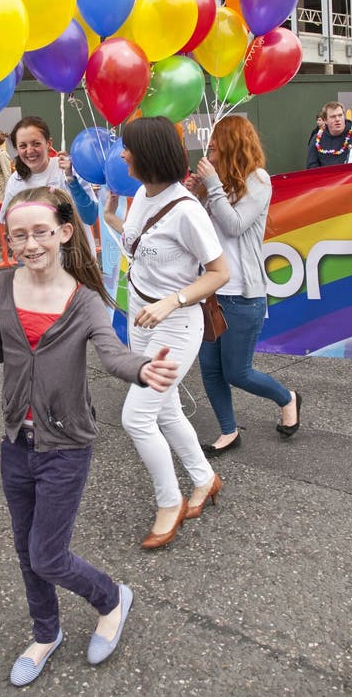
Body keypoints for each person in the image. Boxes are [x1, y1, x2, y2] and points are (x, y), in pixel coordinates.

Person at [0, 186, 179, 686]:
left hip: (66, 446)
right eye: (19, 235)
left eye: (41, 232)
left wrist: (142, 369)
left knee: (47, 554)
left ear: (64, 233)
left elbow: (113, 354)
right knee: (25, 550)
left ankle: (111, 598)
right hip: (15, 443)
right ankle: (45, 633)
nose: (30, 244)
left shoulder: (86, 301)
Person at [103, 116, 230, 550]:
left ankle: (168, 501)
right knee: (164, 410)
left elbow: (219, 273)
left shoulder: (188, 211)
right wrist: (110, 219)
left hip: (175, 324)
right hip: (142, 318)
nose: (122, 155)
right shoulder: (140, 194)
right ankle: (204, 477)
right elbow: (141, 243)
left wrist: (171, 301)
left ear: (148, 155)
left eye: (128, 148)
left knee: (135, 417)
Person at [188, 115, 302, 456]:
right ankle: (228, 431)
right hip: (210, 291)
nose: (209, 149)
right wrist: (194, 194)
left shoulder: (259, 180)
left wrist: (211, 186)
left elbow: (235, 225)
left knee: (237, 372)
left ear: (231, 143)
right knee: (209, 369)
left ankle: (288, 398)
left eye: (215, 143)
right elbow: (201, 232)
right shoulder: (216, 184)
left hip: (242, 295)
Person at [0, 116, 98, 228]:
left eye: (36, 144)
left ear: (49, 143)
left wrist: (71, 180)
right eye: (23, 146)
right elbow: (7, 224)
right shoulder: (15, 181)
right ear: (17, 148)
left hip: (76, 245)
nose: (30, 151)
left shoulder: (69, 170)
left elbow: (90, 217)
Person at [307, 101, 352, 167]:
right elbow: (311, 167)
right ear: (325, 120)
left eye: (340, 115)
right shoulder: (317, 139)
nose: (337, 119)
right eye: (333, 117)